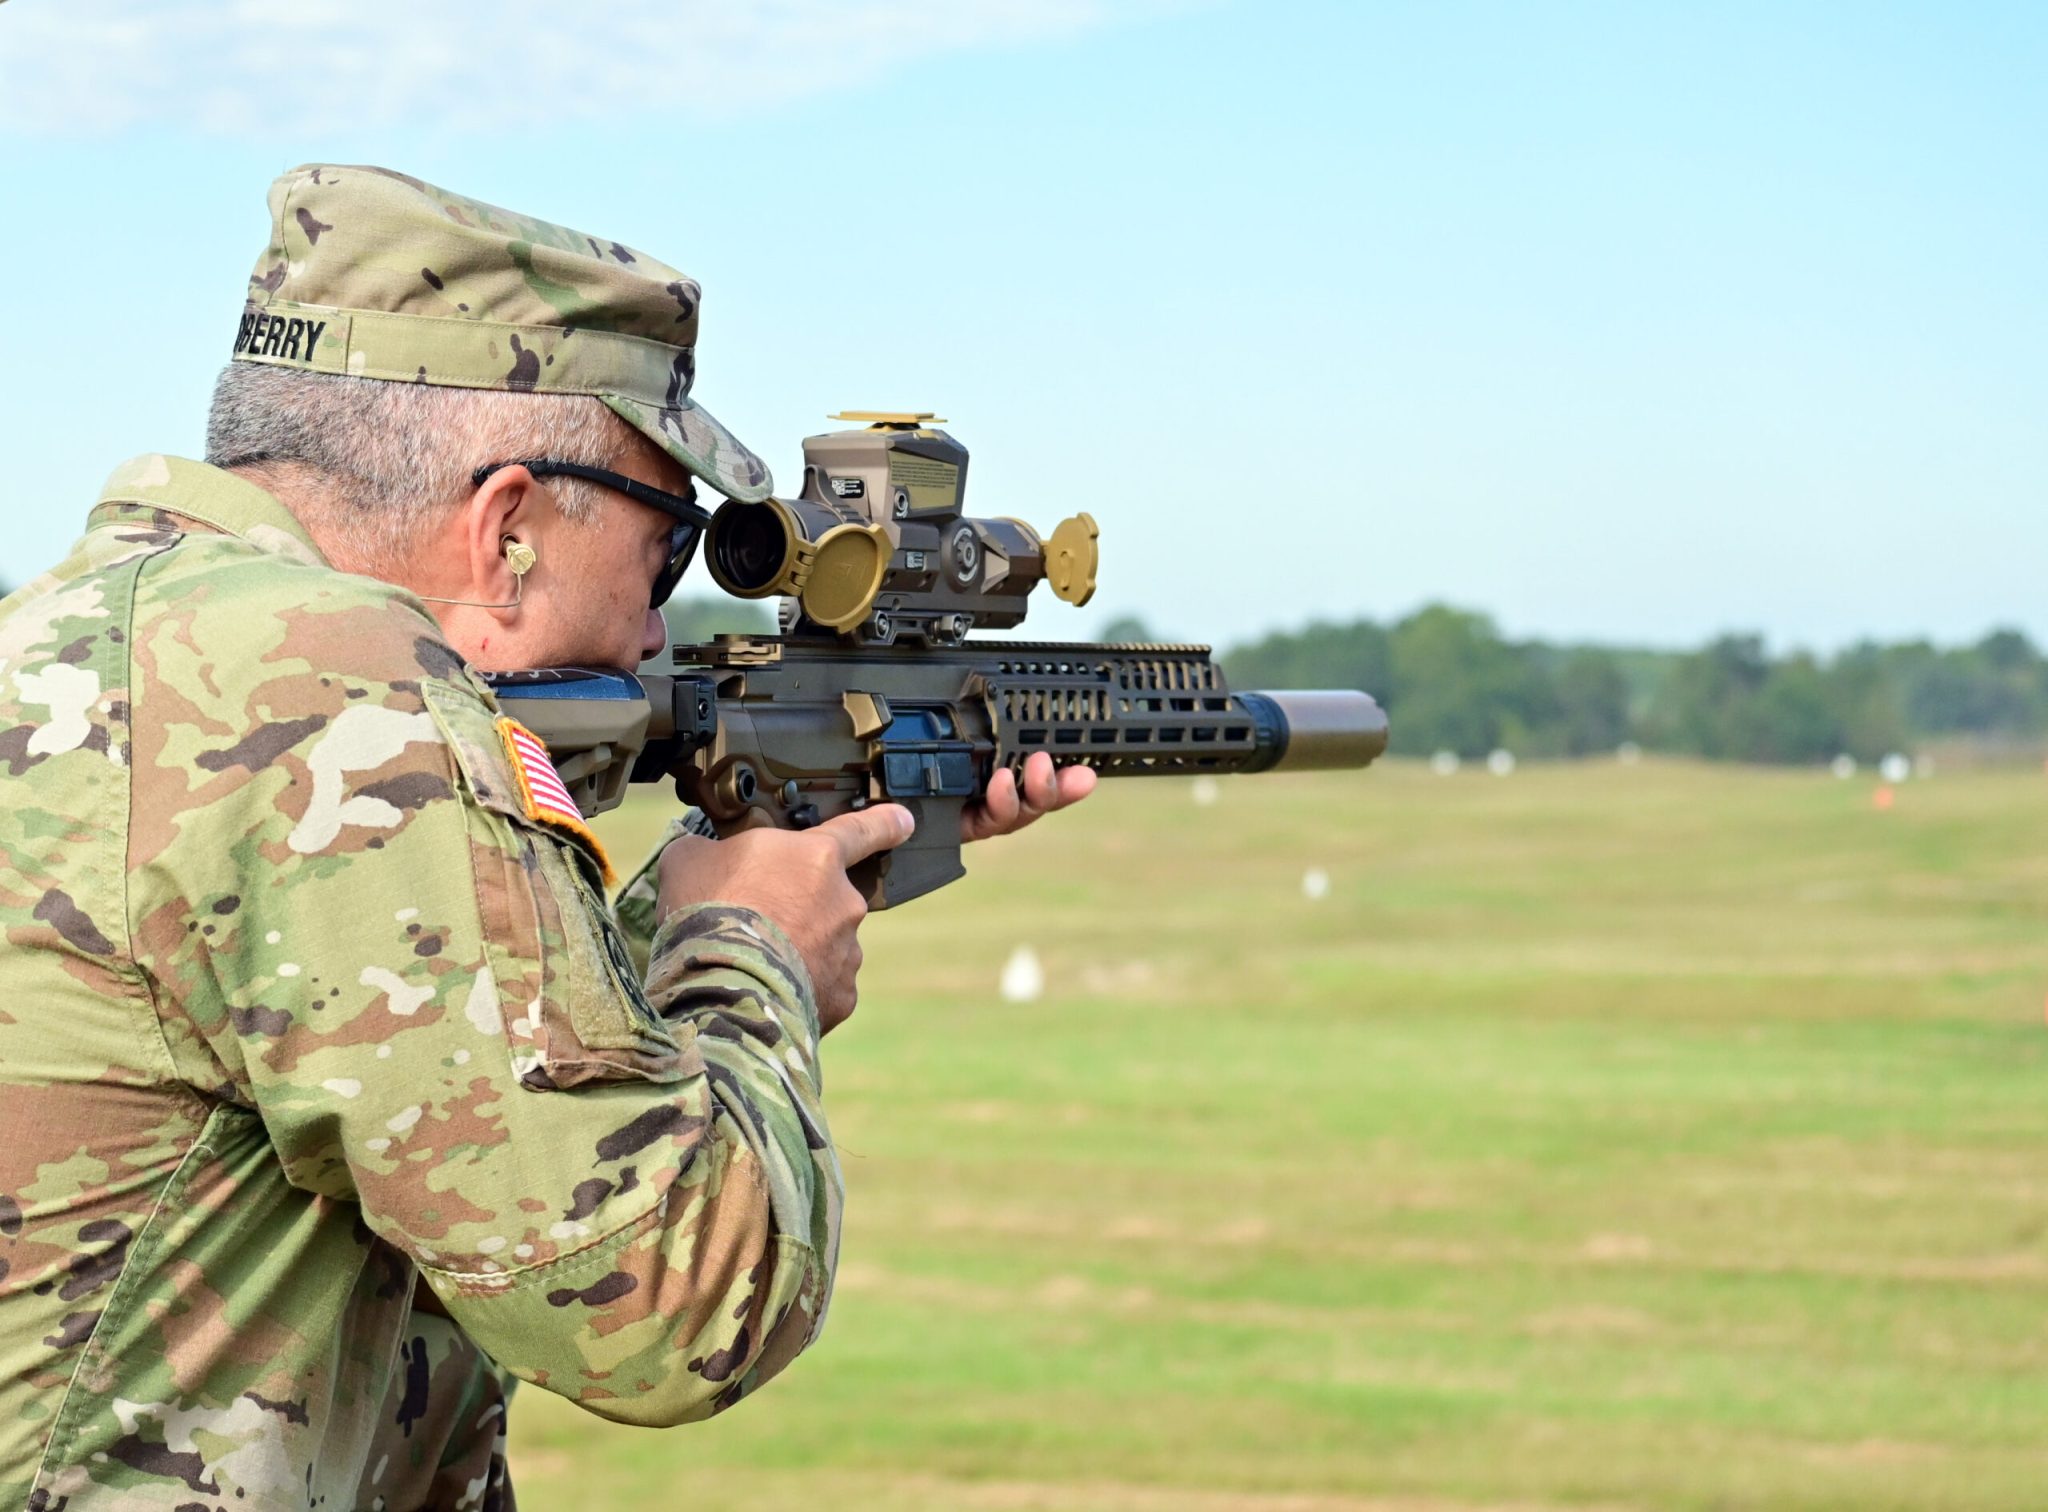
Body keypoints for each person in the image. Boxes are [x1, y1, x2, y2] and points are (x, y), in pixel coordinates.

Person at [0, 164, 1093, 1511]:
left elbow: (396, 1058)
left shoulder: (90, 639)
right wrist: (748, 955)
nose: (659, 625)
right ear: (507, 526)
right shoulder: (344, 693)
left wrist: (706, 885)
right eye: (667, 547)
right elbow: (669, 1299)